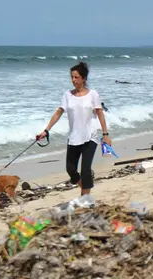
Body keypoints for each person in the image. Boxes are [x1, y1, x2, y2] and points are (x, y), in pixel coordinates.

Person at [35, 62, 110, 206]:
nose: (73, 80)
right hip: (74, 138)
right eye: (72, 77)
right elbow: (58, 112)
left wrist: (105, 134)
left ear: (84, 78)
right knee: (70, 169)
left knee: (85, 169)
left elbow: (100, 113)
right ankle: (86, 190)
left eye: (76, 77)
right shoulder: (67, 95)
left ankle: (85, 198)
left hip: (90, 137)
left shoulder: (93, 94)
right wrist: (46, 130)